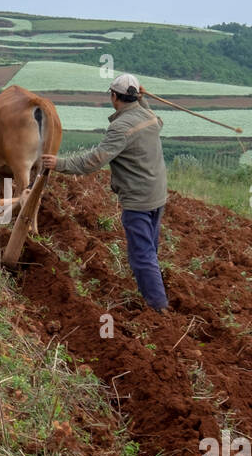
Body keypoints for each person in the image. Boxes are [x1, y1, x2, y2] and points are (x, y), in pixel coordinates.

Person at [41, 73, 170, 313]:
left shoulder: (121, 127)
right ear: (136, 96)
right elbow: (157, 120)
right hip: (157, 193)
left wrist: (59, 163)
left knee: (141, 255)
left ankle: (157, 306)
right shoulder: (150, 117)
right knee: (150, 248)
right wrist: (142, 100)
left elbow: (94, 161)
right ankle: (154, 291)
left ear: (114, 96)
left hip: (138, 199)